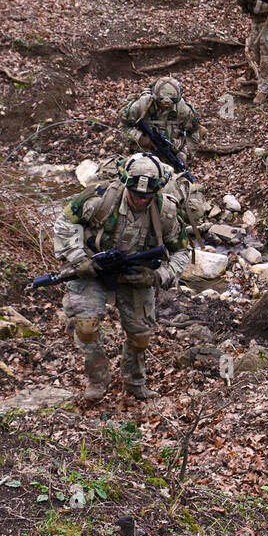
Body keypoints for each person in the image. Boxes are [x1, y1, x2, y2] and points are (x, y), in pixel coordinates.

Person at [53, 153, 190, 402]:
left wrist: (157, 276)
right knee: (85, 327)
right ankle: (97, 380)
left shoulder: (165, 212)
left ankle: (135, 383)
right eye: (136, 194)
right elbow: (64, 223)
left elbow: (182, 251)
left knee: (140, 336)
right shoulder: (100, 198)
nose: (140, 200)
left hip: (137, 274)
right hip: (92, 268)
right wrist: (77, 258)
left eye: (147, 196)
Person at [118, 77, 208, 227]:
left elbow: (195, 134)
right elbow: (122, 128)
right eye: (161, 101)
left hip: (168, 159)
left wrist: (184, 154)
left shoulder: (183, 110)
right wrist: (140, 138)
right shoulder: (141, 105)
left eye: (171, 101)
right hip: (140, 157)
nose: (166, 104)